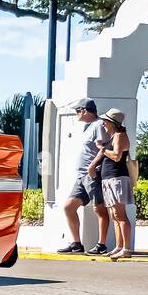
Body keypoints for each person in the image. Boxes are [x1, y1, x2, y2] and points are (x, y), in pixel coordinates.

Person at [57, 99, 112, 254]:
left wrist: (92, 167)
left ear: (85, 110)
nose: (76, 114)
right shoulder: (87, 127)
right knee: (69, 207)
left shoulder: (99, 125)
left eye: (77, 110)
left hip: (92, 174)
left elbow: (103, 148)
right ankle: (76, 243)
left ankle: (101, 245)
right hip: (81, 175)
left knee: (99, 208)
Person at [88, 108, 134, 260]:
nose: (103, 125)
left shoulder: (119, 136)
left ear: (111, 123)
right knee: (114, 215)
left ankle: (126, 248)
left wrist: (102, 148)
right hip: (110, 179)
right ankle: (119, 246)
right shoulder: (114, 136)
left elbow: (116, 156)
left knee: (120, 215)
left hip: (117, 179)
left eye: (105, 122)